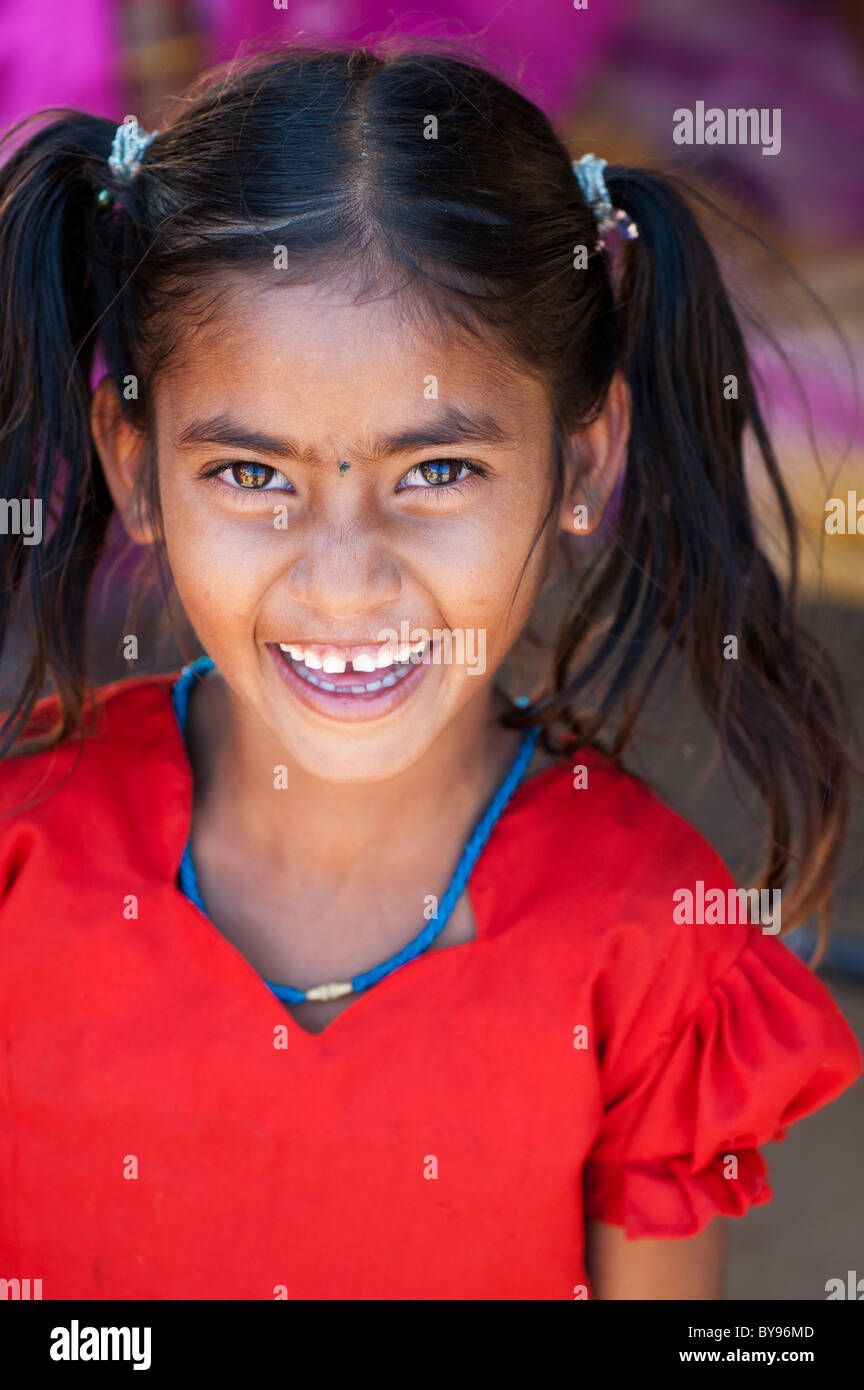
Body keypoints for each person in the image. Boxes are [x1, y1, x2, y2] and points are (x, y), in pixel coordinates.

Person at [0, 43, 859, 1301]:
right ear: (135, 469)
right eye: (252, 475)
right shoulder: (20, 858)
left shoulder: (654, 944)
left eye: (438, 472)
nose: (346, 583)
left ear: (580, 463)